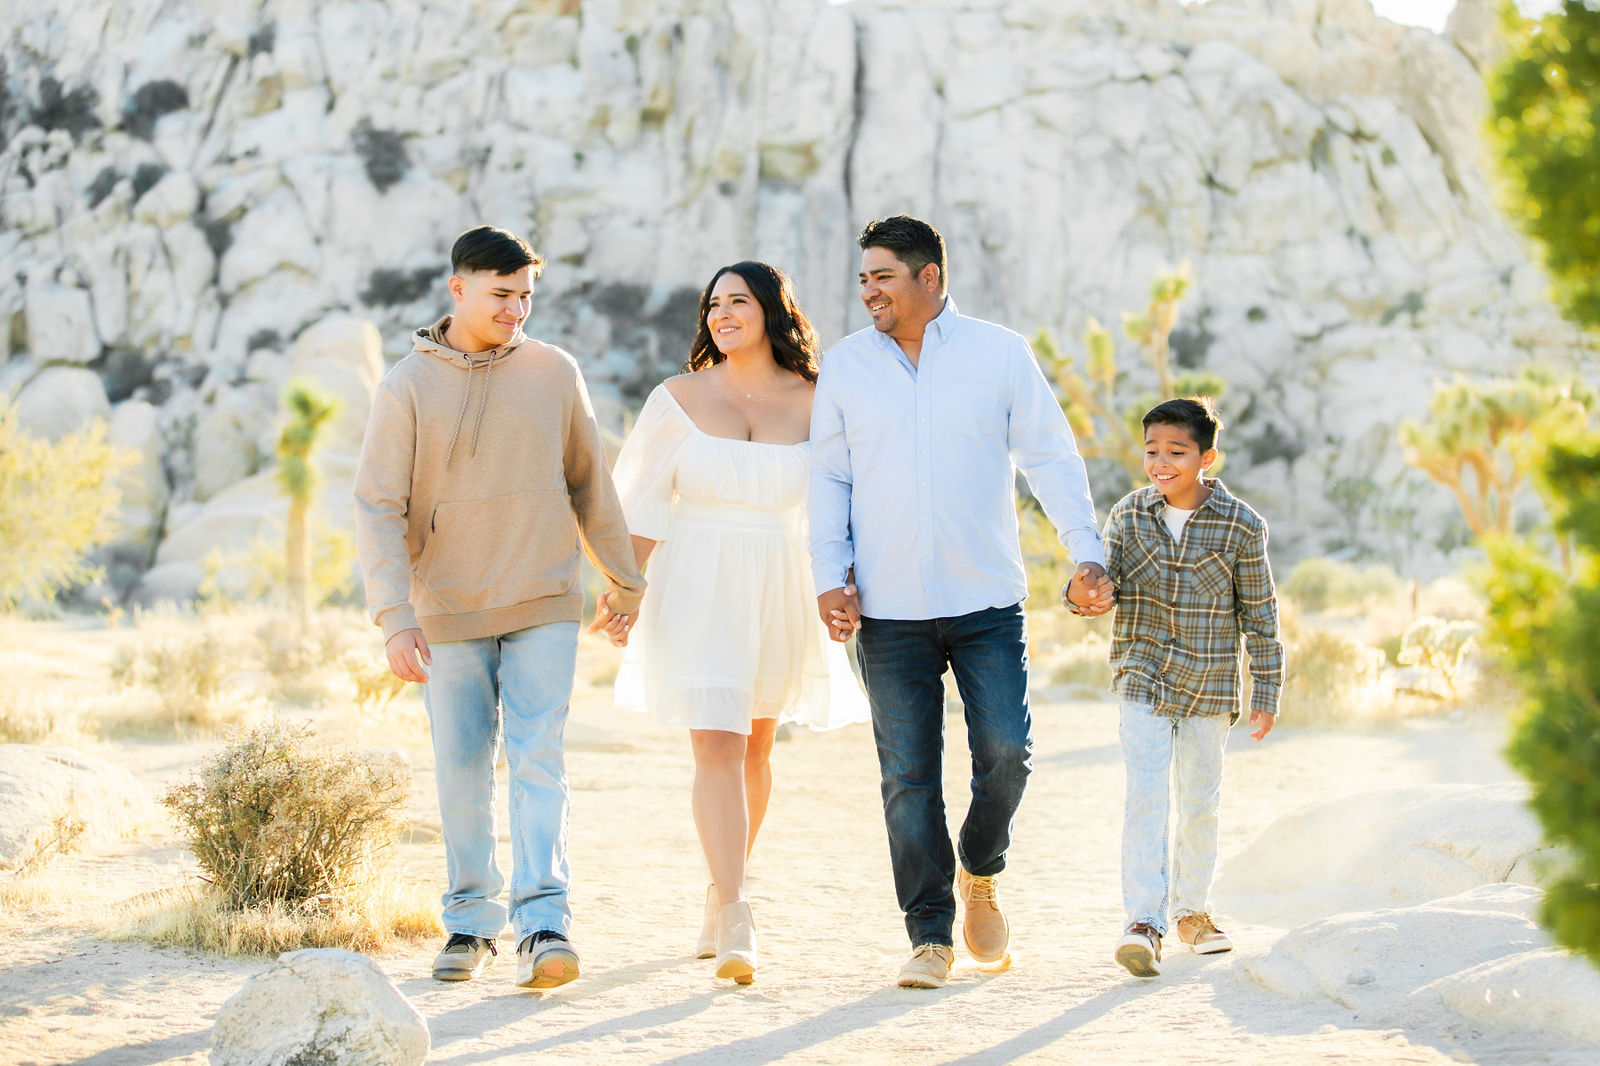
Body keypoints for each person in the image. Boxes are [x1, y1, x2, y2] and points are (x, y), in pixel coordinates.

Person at [808, 215, 1114, 989]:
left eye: (883, 276)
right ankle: (931, 935)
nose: (869, 290)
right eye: (864, 278)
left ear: (929, 278)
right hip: (886, 610)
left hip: (986, 601)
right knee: (907, 776)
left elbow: (1049, 453)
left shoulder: (998, 354)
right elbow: (829, 479)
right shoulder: (846, 367)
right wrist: (830, 572)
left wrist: (1086, 551)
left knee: (1007, 753)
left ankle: (981, 869)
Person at [353, 225, 645, 990]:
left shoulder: (553, 372)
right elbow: (378, 506)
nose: (516, 310)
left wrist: (625, 580)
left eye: (525, 297)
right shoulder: (406, 386)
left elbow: (591, 483)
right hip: (446, 610)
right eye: (501, 295)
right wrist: (394, 616)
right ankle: (469, 923)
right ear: (457, 290)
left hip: (544, 597)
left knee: (538, 759)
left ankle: (545, 922)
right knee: (460, 769)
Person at [608, 261, 869, 986]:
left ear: (772, 311)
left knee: (756, 750)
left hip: (781, 581)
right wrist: (625, 589)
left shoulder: (819, 401)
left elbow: (841, 508)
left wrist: (843, 584)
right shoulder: (677, 399)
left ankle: (721, 889)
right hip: (696, 579)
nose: (723, 314)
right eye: (713, 304)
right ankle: (737, 913)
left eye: (738, 301)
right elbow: (645, 501)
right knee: (716, 745)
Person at [1101, 397, 1283, 978]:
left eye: (1176, 452)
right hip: (1142, 677)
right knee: (1147, 799)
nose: (1161, 462)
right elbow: (1099, 586)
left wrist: (1267, 690)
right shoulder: (1129, 516)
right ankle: (1144, 923)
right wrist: (1081, 596)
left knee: (1200, 802)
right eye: (1152, 450)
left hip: (1209, 685)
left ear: (1207, 457)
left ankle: (1192, 913)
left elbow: (1261, 616)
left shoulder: (1241, 526)